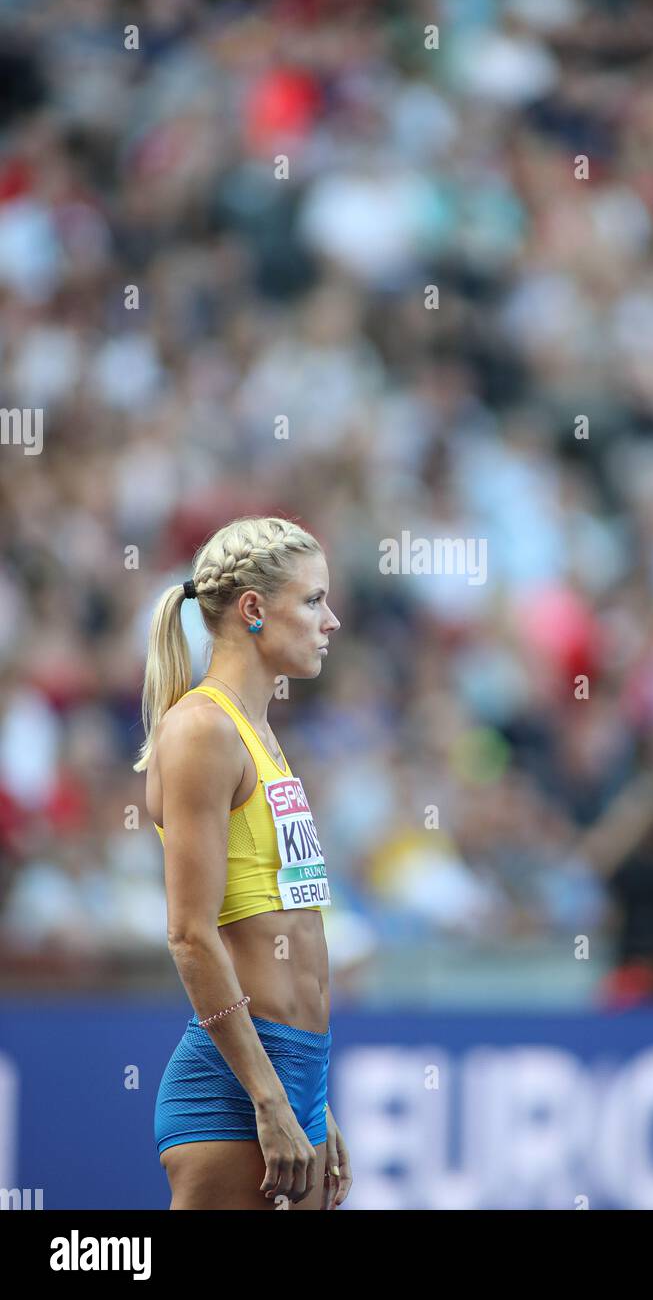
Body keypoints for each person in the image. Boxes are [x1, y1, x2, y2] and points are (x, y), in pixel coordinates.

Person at [134, 514, 352, 1210]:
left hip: (293, 1075)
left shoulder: (258, 732)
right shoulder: (202, 729)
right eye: (314, 600)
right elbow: (190, 933)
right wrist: (267, 1095)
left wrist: (311, 1101)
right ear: (255, 610)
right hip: (237, 1090)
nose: (332, 621)